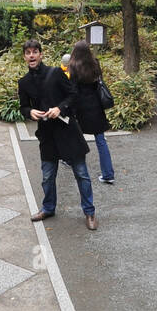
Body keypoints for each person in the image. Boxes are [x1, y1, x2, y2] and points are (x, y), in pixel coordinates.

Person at [17, 42, 96, 229]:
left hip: (67, 131)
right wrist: (30, 113)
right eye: (28, 53)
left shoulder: (55, 73)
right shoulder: (24, 82)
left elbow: (73, 94)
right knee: (47, 176)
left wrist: (60, 107)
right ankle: (48, 208)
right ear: (24, 57)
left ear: (41, 55)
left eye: (35, 52)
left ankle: (90, 212)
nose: (31, 56)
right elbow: (23, 107)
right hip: (46, 135)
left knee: (82, 174)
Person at [66, 42, 118, 188]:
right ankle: (108, 174)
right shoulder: (95, 64)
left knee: (73, 136)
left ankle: (69, 160)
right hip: (96, 106)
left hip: (80, 108)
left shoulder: (74, 67)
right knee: (101, 140)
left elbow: (73, 90)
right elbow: (99, 83)